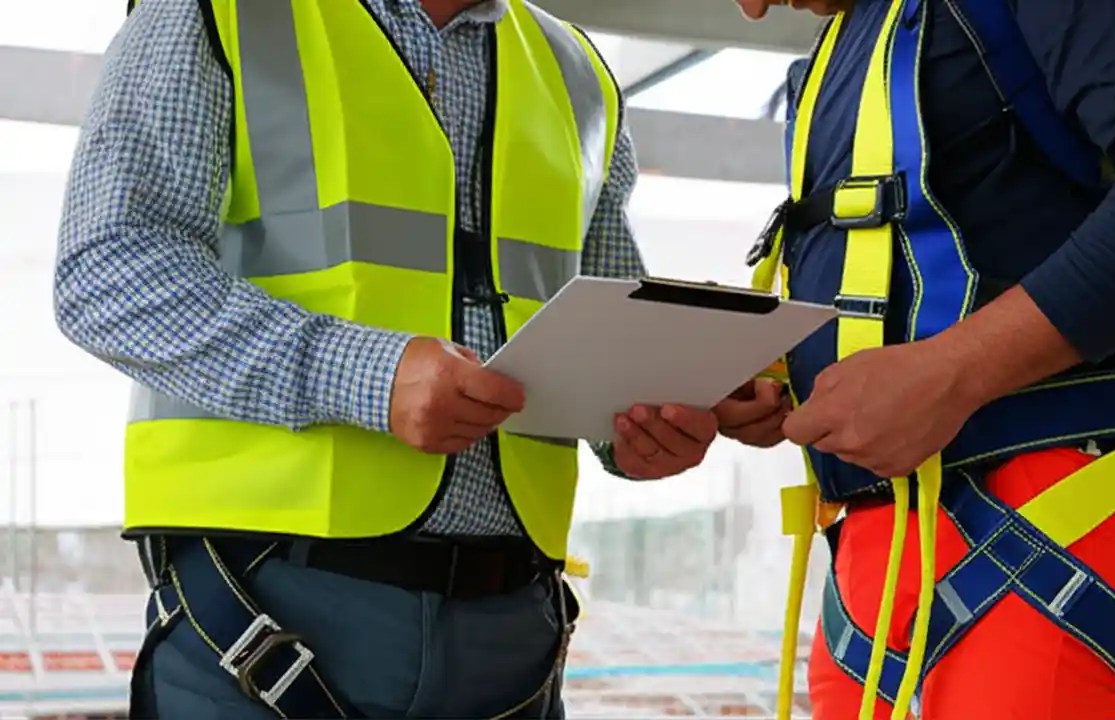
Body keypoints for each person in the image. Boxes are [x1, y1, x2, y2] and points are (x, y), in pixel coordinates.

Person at [52, 0, 719, 717]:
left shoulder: (578, 70)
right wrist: (367, 376)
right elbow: (106, 271)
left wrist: (656, 412)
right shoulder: (219, 13)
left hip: (511, 634)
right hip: (265, 611)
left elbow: (598, 316)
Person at [714, 0, 1115, 718]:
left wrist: (953, 372)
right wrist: (784, 375)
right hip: (870, 562)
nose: (753, 8)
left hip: (1056, 522)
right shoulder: (857, 43)